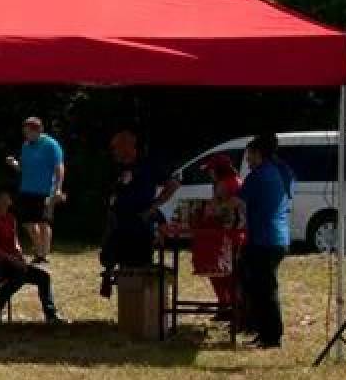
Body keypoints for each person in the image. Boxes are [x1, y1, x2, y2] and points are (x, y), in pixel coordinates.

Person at [99, 129, 178, 297]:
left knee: (141, 262)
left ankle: (143, 301)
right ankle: (126, 299)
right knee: (116, 258)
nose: (113, 151)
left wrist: (154, 206)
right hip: (118, 220)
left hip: (141, 219)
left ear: (128, 146)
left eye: (116, 147)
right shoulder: (113, 166)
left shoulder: (148, 164)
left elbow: (173, 184)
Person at [237, 132, 295, 349]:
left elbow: (236, 201)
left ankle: (272, 337)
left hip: (264, 239)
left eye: (249, 156)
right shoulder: (282, 170)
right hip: (277, 238)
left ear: (259, 154)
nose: (247, 161)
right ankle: (262, 331)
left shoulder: (259, 175)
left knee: (265, 289)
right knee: (257, 285)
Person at [0, 187, 63, 323]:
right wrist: (12, 260)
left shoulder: (11, 217)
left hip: (13, 262)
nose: (8, 199)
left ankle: (51, 315)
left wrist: (20, 256)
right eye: (4, 196)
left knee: (43, 277)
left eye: (8, 196)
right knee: (19, 275)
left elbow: (15, 241)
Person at [186, 154, 245, 319]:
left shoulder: (223, 185)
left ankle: (227, 307)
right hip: (237, 234)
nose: (209, 174)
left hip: (224, 236)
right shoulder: (238, 181)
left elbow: (214, 210)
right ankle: (231, 307)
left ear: (218, 170)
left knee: (220, 273)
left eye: (211, 170)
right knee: (232, 276)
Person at [6, 116, 65, 263]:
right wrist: (14, 164)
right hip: (27, 189)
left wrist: (58, 189)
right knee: (28, 223)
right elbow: (23, 168)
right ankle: (39, 249)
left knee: (44, 222)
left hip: (46, 190)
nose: (26, 135)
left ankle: (42, 255)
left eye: (28, 132)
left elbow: (59, 168)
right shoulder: (26, 145)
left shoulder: (51, 144)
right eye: (25, 132)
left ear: (38, 130)